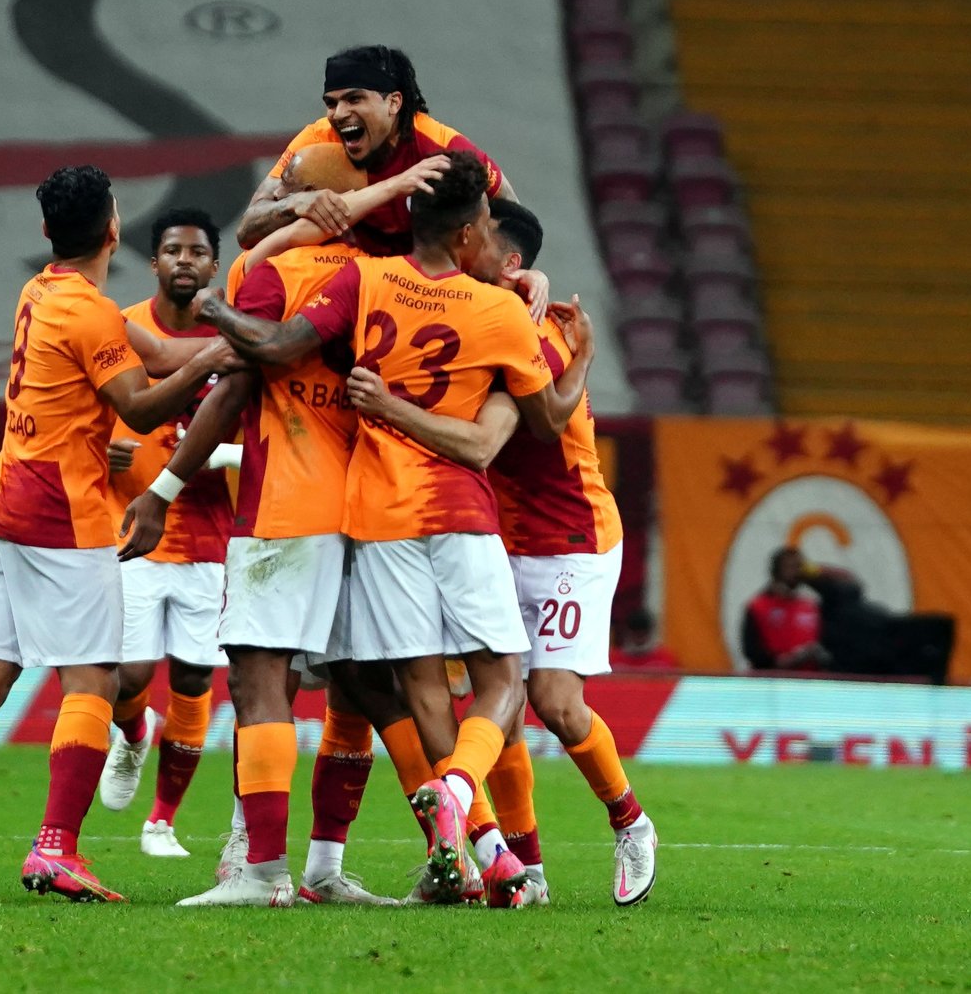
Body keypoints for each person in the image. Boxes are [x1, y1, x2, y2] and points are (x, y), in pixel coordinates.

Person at [194, 153, 584, 907]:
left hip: (375, 517)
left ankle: (489, 853)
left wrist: (215, 306)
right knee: (503, 679)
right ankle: (461, 795)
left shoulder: (364, 279)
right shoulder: (500, 311)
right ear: (473, 230)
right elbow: (543, 421)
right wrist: (578, 357)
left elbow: (274, 348)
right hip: (460, 511)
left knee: (418, 687)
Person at [118, 158, 452, 908]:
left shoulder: (273, 274)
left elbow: (237, 381)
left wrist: (163, 488)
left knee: (260, 681)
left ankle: (263, 870)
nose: (266, 212)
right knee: (361, 690)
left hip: (286, 505)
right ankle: (392, 855)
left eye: (277, 201)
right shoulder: (395, 277)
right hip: (374, 508)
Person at [0, 166, 238, 903]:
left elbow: (154, 354)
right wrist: (222, 360)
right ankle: (56, 849)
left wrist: (226, 349)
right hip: (62, 513)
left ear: (47, 233)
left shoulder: (42, 293)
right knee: (91, 680)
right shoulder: (89, 313)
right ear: (115, 231)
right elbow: (145, 405)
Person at [344, 198, 659, 908]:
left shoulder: (525, 333)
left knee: (552, 699)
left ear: (506, 262)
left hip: (573, 536)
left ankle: (631, 821)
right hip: (503, 536)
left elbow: (539, 427)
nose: (461, 250)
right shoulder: (472, 314)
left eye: (477, 241)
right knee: (504, 707)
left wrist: (581, 356)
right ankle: (526, 865)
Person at [96, 207, 243, 859]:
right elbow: (84, 411)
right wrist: (108, 445)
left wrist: (223, 455)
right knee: (126, 677)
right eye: (173, 251)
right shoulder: (121, 329)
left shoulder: (240, 336)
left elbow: (273, 432)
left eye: (197, 251)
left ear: (215, 264)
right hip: (132, 529)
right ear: (154, 263)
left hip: (210, 537)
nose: (185, 260)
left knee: (192, 679)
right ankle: (131, 737)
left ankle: (161, 821)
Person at [235, 45, 515, 251]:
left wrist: (517, 269)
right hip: (339, 280)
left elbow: (512, 215)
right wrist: (294, 203)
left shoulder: (442, 146)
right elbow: (247, 230)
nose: (339, 114)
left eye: (354, 99)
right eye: (331, 103)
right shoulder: (318, 138)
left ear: (394, 103)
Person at [742, 547, 954, 684]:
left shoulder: (809, 605)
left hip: (812, 684)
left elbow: (851, 586)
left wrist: (814, 571)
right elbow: (753, 653)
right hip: (772, 686)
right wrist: (791, 660)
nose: (798, 570)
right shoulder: (758, 606)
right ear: (776, 570)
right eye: (792, 566)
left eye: (801, 565)